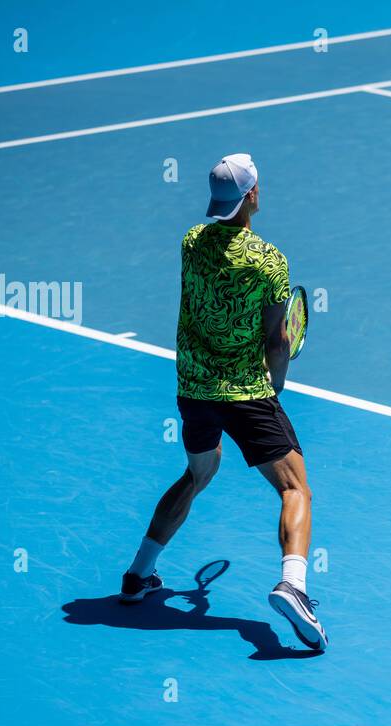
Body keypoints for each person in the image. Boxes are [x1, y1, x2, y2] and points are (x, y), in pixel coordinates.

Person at [120, 153, 327, 651]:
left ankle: (138, 574)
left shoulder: (192, 242)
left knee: (197, 474)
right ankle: (293, 586)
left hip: (194, 388)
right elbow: (277, 341)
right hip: (247, 394)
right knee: (295, 488)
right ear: (252, 194)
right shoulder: (269, 261)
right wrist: (276, 384)